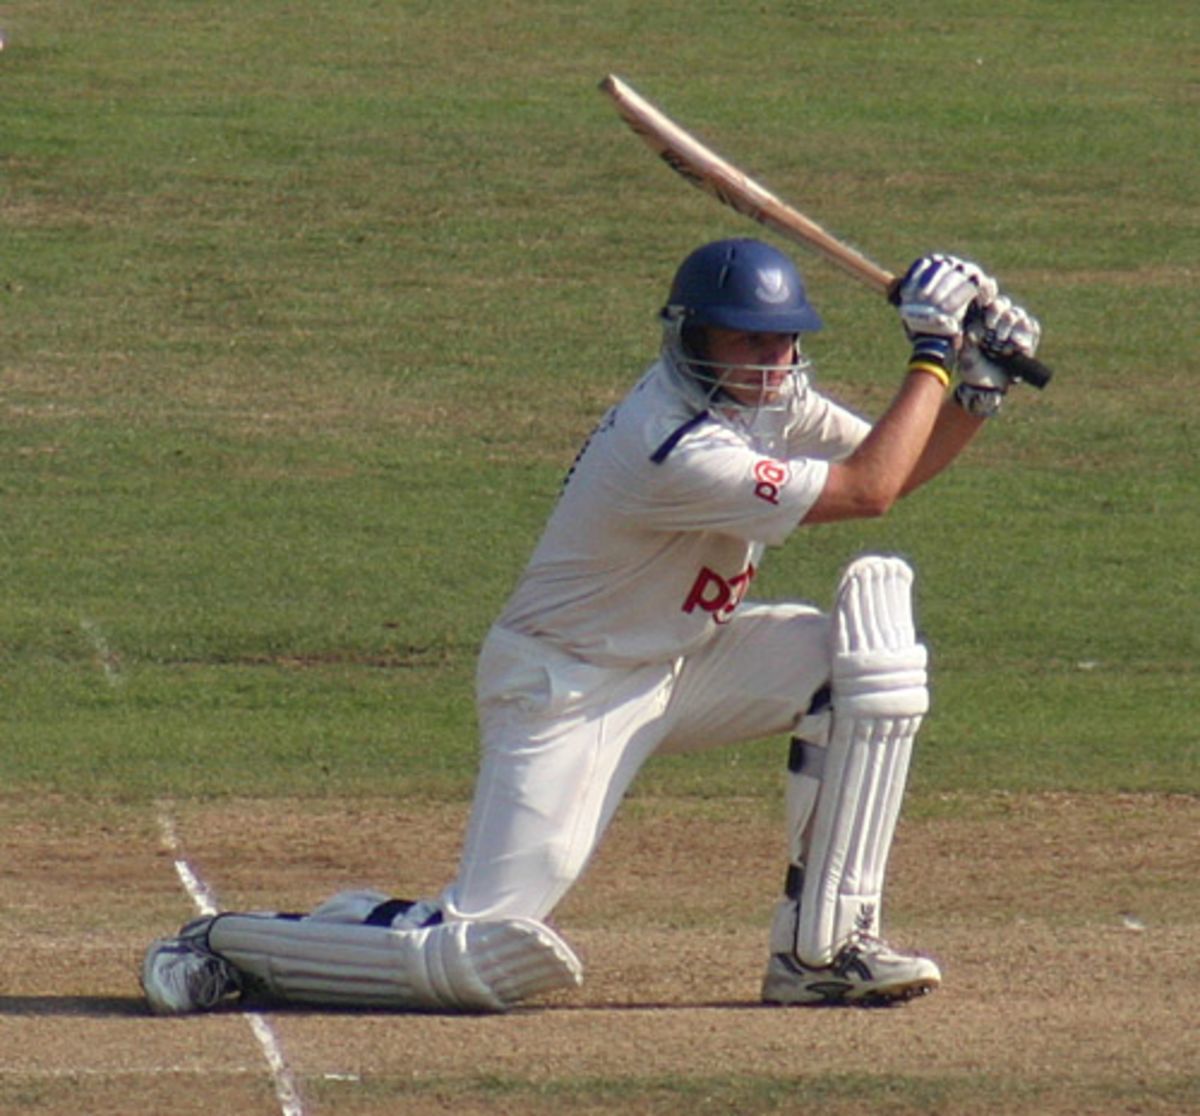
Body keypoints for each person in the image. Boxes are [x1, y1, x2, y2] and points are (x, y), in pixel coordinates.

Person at [141, 238, 1042, 1013]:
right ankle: (226, 943)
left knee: (858, 662)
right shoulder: (673, 444)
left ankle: (822, 955)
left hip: (687, 664)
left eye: (783, 340)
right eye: (745, 338)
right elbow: (868, 493)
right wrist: (932, 345)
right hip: (566, 687)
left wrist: (977, 381)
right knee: (475, 954)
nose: (768, 360)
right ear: (692, 339)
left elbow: (898, 464)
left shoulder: (774, 399)